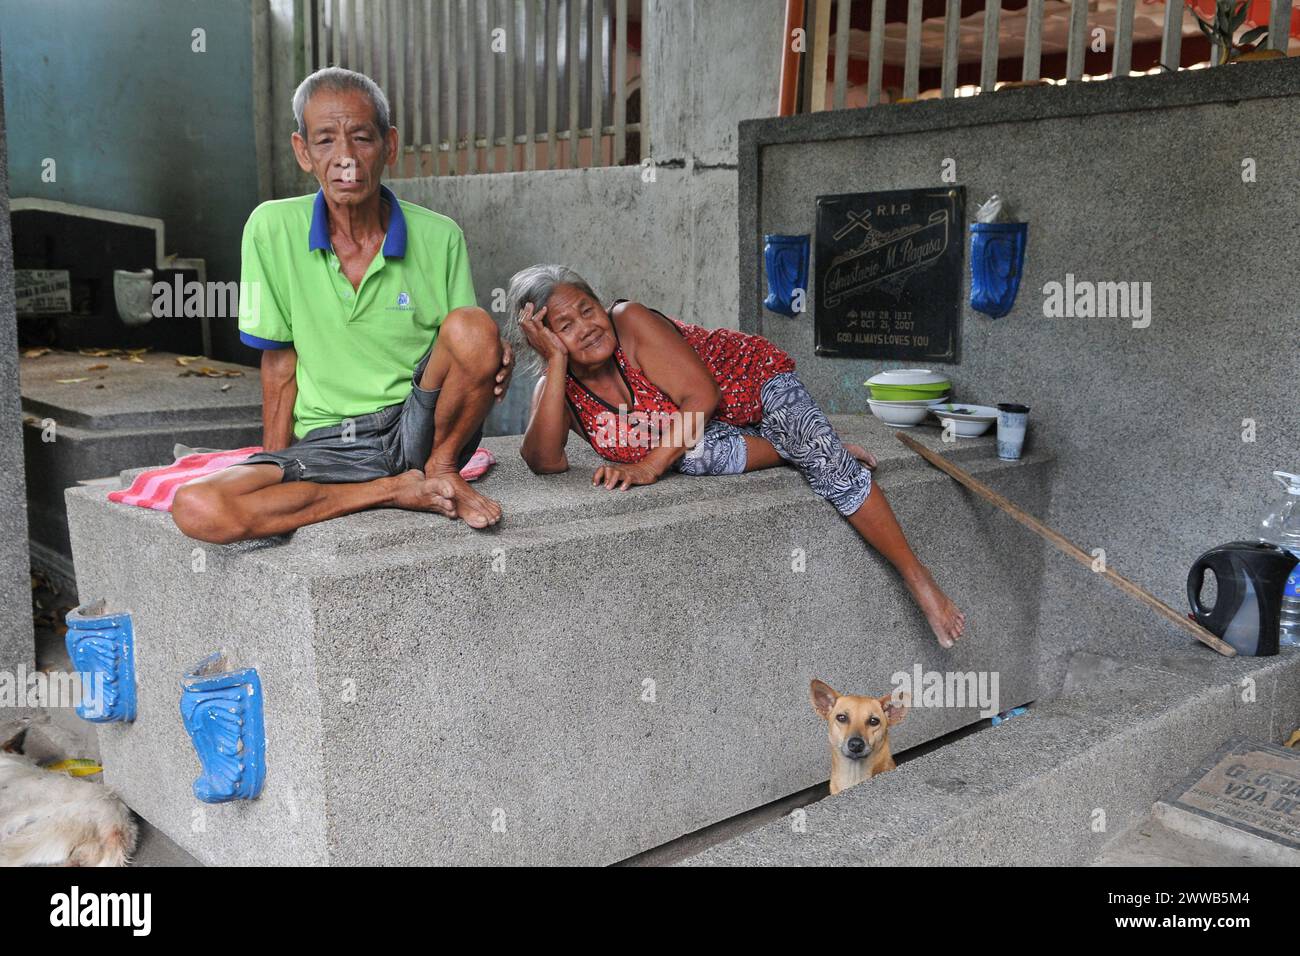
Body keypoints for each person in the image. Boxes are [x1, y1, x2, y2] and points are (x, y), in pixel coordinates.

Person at [508, 264, 966, 647]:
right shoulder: (558, 384)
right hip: (707, 438)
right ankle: (802, 444)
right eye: (564, 326)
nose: (586, 327)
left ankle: (918, 578)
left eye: (587, 310)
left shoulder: (629, 320)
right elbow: (545, 461)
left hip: (753, 385)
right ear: (542, 339)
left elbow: (702, 397)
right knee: (687, 453)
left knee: (823, 466)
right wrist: (556, 363)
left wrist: (648, 466)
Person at [173, 68, 513, 543]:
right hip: (333, 443)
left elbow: (465, 352)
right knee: (197, 506)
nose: (346, 159)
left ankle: (443, 470)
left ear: (389, 146)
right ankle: (390, 491)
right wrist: (279, 465)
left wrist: (490, 355)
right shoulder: (271, 229)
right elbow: (279, 366)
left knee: (476, 326)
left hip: (420, 425)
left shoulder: (440, 236)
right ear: (303, 152)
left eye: (361, 138)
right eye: (326, 141)